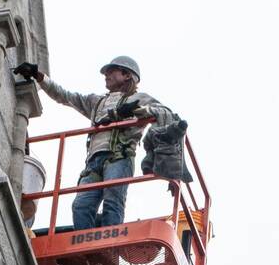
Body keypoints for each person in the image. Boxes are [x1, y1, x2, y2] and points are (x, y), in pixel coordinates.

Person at [14, 56, 171, 230]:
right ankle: (87, 249)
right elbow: (65, 96)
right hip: (93, 163)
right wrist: (39, 76)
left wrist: (136, 110)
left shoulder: (140, 98)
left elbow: (165, 112)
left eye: (111, 71)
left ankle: (109, 247)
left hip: (119, 158)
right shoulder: (97, 102)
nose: (106, 75)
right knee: (80, 206)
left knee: (113, 202)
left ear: (126, 75)